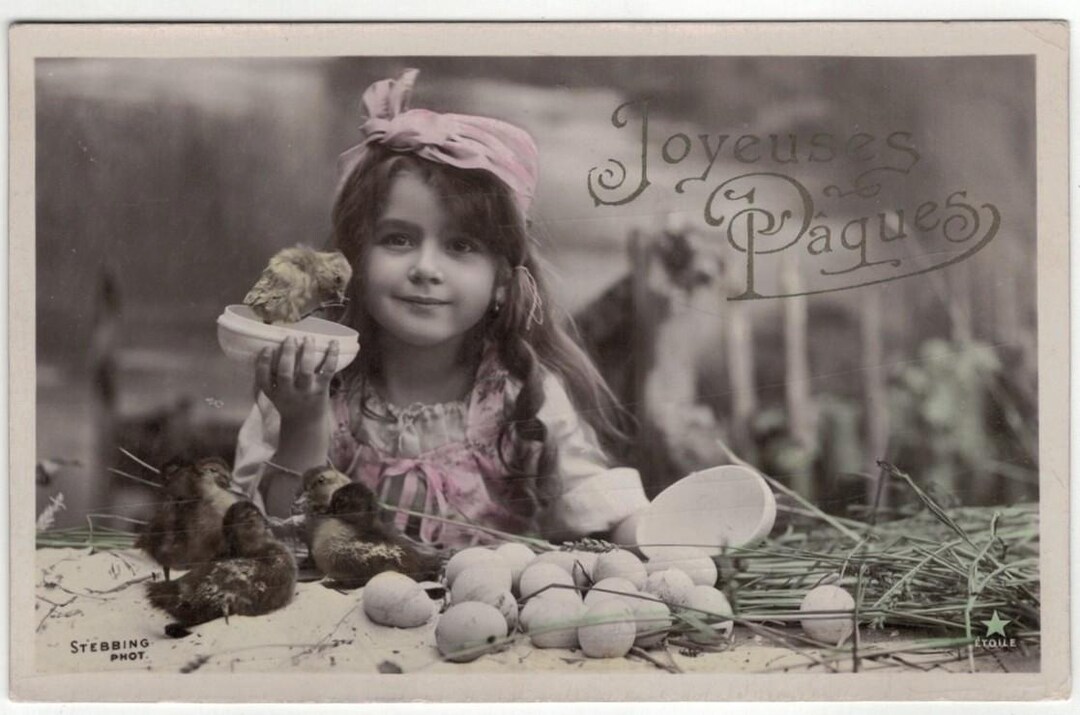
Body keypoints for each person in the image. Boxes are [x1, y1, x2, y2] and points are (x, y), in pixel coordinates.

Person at [232, 69, 649, 551]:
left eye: (461, 246)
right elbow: (277, 538)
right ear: (353, 261)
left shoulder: (521, 398)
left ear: (502, 282)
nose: (426, 268)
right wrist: (303, 424)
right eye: (398, 239)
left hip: (485, 621)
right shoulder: (315, 384)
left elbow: (592, 502)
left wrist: (657, 542)